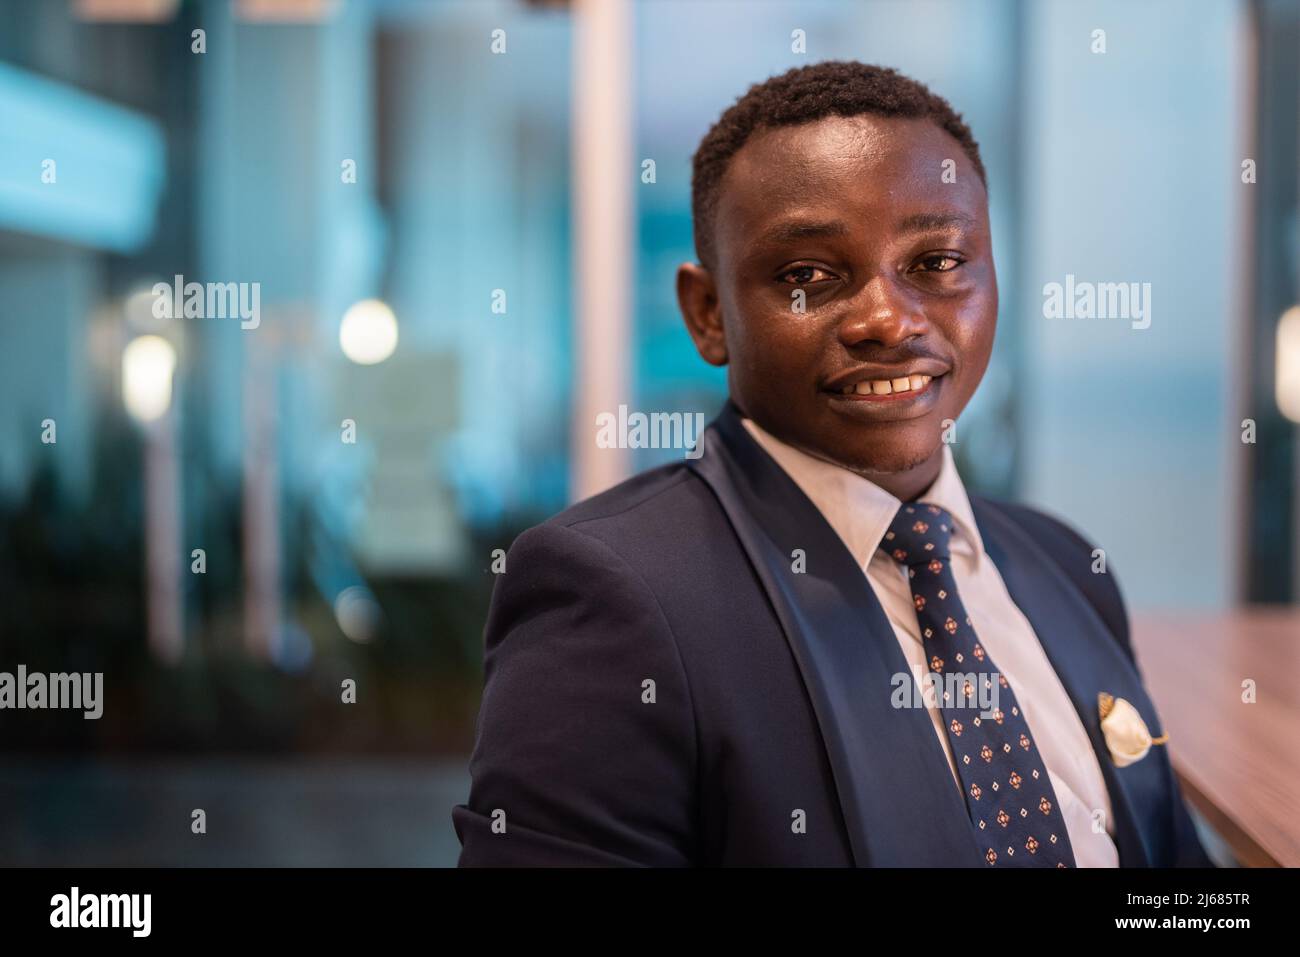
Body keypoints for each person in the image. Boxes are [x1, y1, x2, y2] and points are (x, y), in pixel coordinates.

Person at [452, 60, 1213, 867]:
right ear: (708, 314)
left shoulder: (1065, 566)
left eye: (939, 262)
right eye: (808, 275)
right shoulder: (612, 595)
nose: (890, 318)